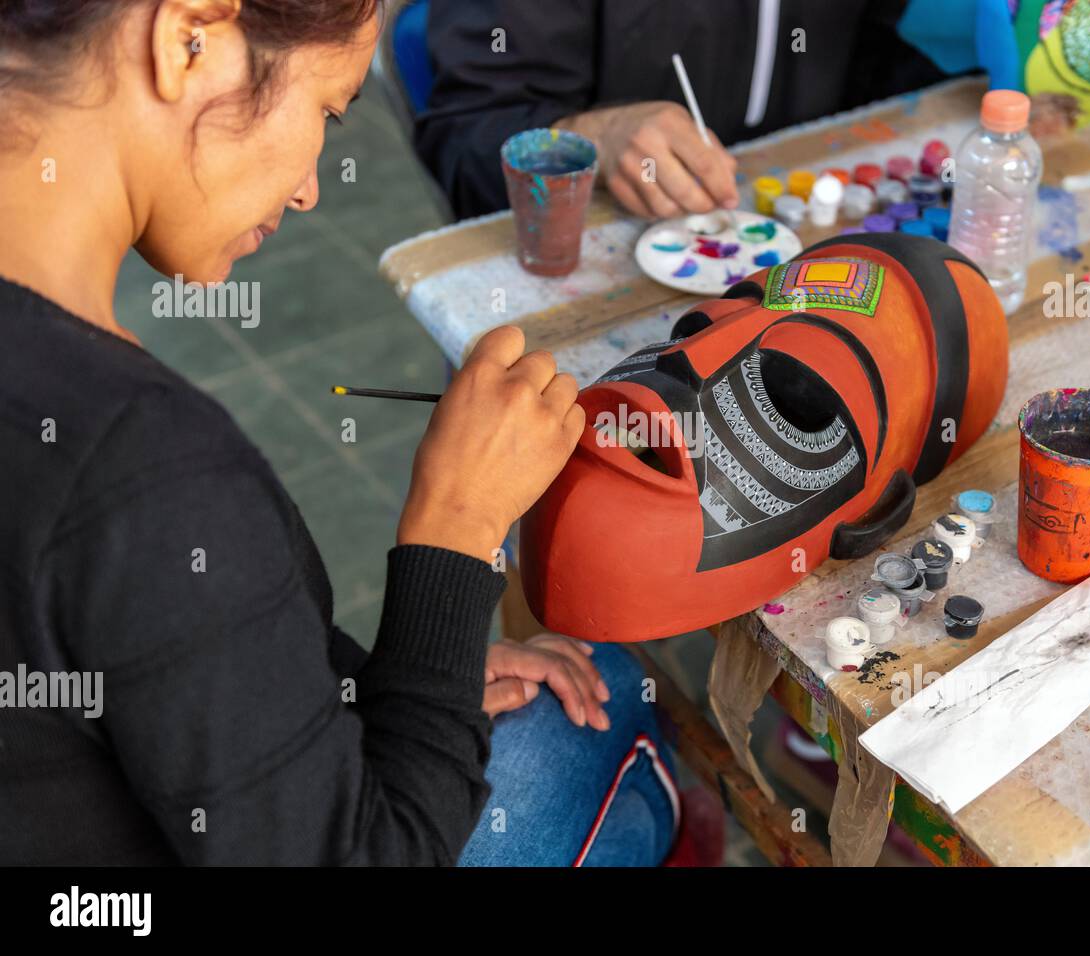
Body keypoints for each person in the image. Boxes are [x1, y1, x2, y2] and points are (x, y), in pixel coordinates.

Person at [0, 0, 682, 866]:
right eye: (326, 109)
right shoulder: (144, 465)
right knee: (606, 704)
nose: (310, 186)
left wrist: (390, 687)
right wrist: (457, 528)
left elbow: (141, 669)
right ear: (186, 36)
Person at [416, 0, 950, 219]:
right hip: (593, 287)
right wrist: (593, 140)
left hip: (796, 242)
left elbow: (877, 58)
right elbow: (466, 140)